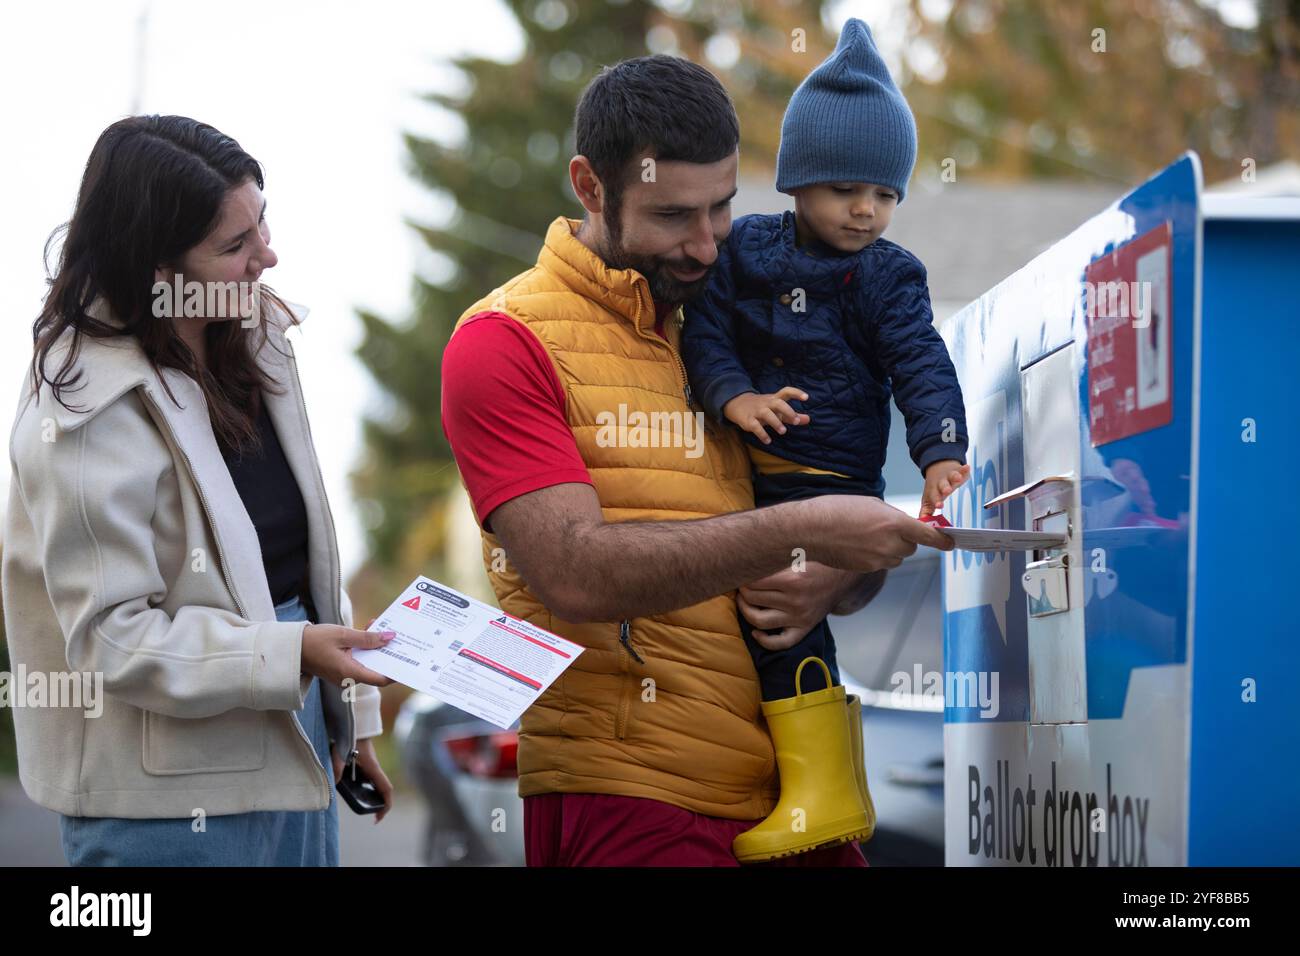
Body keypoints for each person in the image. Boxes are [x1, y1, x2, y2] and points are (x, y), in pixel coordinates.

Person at [440, 55, 954, 867]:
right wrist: (804, 525)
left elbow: (823, 540)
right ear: (590, 186)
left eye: (722, 208)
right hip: (630, 801)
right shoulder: (503, 342)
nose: (708, 245)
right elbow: (573, 574)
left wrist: (837, 572)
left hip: (790, 796)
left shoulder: (738, 316)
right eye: (675, 215)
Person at [2, 115, 394, 866]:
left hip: (295, 744)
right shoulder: (83, 407)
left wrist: (349, 723)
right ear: (157, 268)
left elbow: (301, 568)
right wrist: (295, 655)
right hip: (169, 807)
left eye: (263, 225)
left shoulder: (257, 341)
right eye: (235, 246)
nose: (268, 258)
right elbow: (115, 638)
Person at [679, 19, 971, 859]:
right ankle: (827, 783)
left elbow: (922, 363)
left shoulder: (888, 274)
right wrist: (734, 398)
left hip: (828, 481)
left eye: (885, 194)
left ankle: (822, 795)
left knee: (786, 621)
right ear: (797, 183)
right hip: (750, 470)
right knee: (762, 623)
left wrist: (941, 451)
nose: (866, 209)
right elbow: (706, 337)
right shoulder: (746, 252)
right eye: (845, 188)